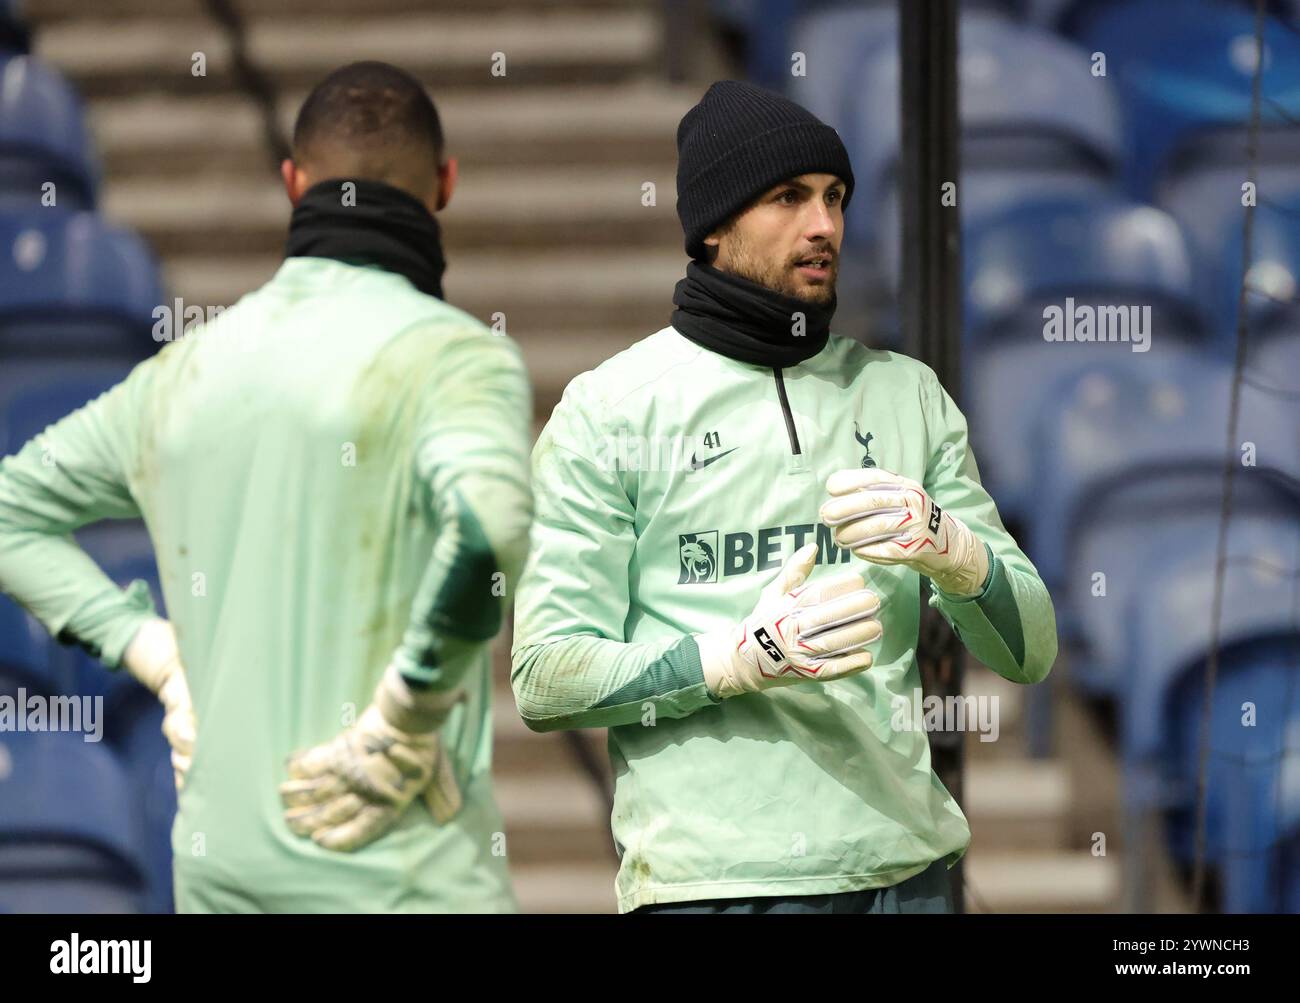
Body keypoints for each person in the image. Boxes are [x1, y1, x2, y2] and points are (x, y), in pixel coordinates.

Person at [510, 80, 1057, 914]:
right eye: (788, 198)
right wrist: (732, 660)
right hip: (716, 887)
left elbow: (1031, 651)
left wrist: (953, 549)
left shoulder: (904, 392)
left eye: (835, 197)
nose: (824, 225)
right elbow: (546, 676)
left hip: (908, 876)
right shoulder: (611, 408)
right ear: (714, 227)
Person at [0, 61, 533, 912]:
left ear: (293, 185)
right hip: (408, 880)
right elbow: (490, 527)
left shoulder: (181, 374)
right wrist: (404, 712)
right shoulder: (457, 358)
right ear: (445, 185)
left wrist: (155, 656)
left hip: (224, 880)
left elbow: (7, 512)